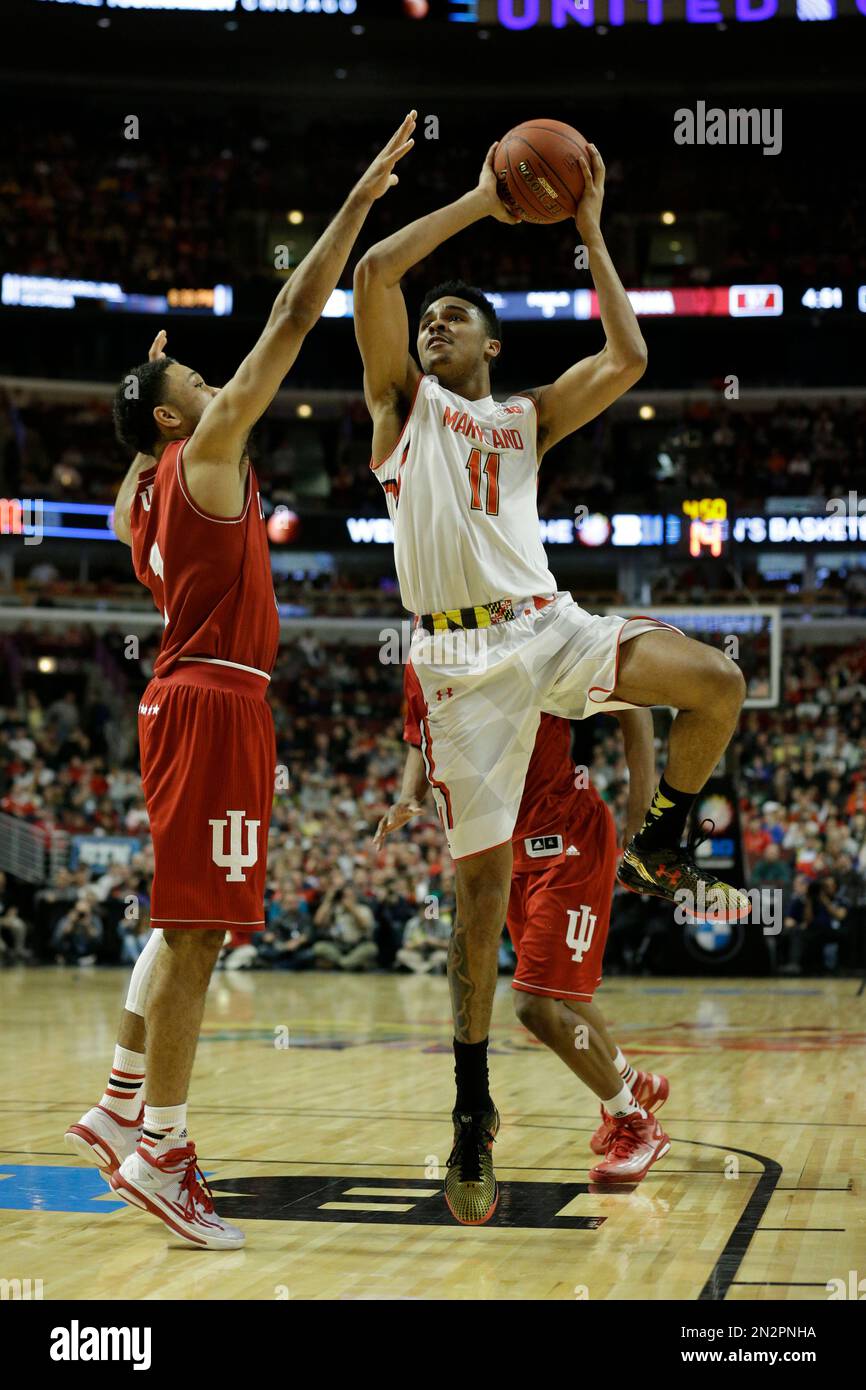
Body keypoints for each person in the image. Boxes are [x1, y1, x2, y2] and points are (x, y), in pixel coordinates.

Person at [354, 137, 746, 1222]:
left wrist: (587, 226)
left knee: (716, 682)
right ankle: (469, 1104)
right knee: (477, 902)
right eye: (430, 320)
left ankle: (663, 829)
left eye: (454, 317)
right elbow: (376, 271)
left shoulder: (521, 414)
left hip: (548, 625)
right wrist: (484, 199)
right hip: (457, 664)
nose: (433, 323)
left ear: (491, 341)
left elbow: (624, 357)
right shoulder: (400, 412)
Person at [63, 114, 417, 1250]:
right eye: (191, 378)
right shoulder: (207, 449)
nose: (218, 380)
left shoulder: (139, 500)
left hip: (184, 698)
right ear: (178, 416)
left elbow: (137, 449)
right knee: (201, 932)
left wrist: (141, 390)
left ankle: (121, 1102)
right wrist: (358, 199)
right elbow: (291, 312)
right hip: (214, 700)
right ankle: (163, 1147)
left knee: (178, 922)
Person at [377, 663, 671, 1212]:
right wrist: (408, 795)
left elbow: (635, 705)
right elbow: (419, 731)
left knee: (534, 1005)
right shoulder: (425, 650)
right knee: (565, 998)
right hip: (502, 856)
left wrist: (642, 812)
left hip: (570, 843)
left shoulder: (532, 635)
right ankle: (630, 1081)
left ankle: (635, 1121)